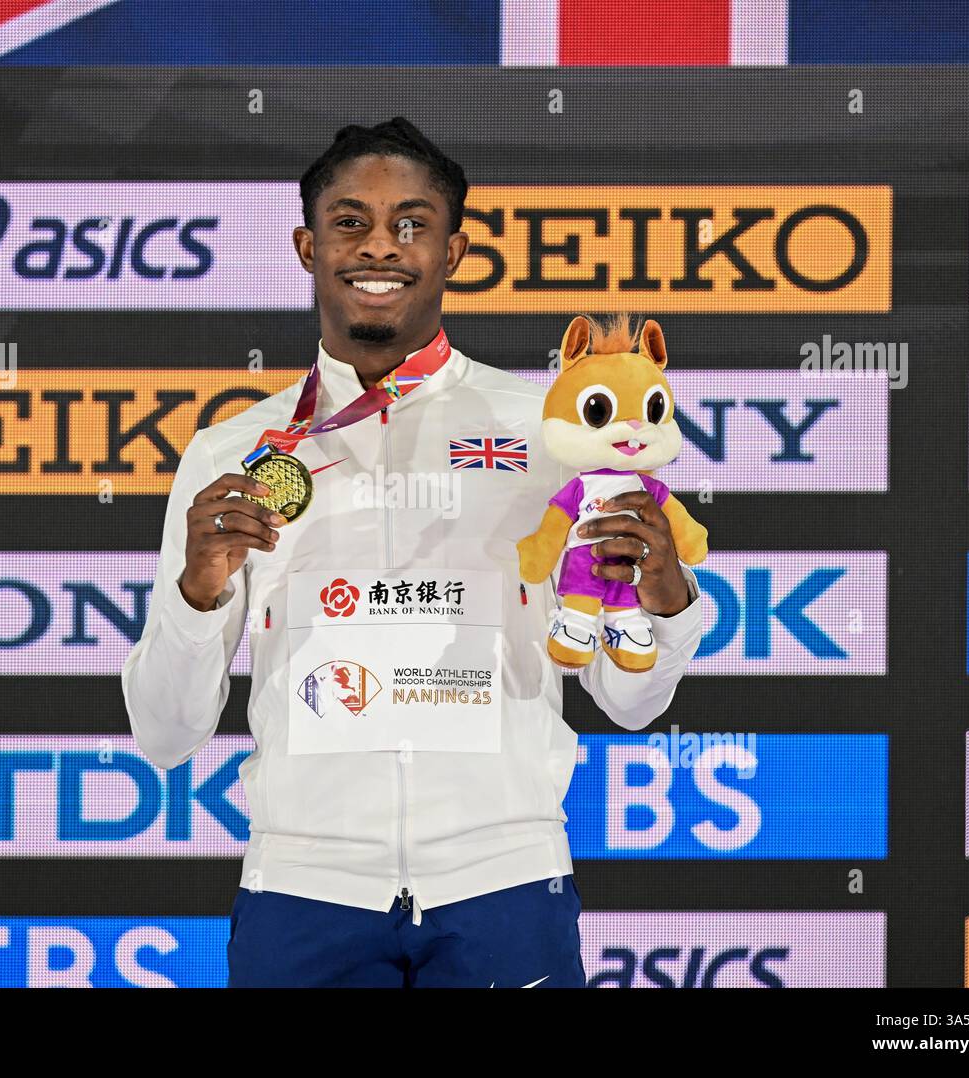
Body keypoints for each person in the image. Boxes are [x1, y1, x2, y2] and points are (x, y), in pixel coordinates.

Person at [122, 117, 704, 988]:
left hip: (502, 884)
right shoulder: (231, 452)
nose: (380, 248)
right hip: (301, 891)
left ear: (455, 249)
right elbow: (165, 734)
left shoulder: (547, 437)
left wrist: (663, 601)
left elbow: (629, 702)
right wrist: (196, 594)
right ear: (307, 245)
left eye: (412, 223)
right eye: (350, 222)